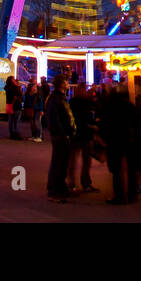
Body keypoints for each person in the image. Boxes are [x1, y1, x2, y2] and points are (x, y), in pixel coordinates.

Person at [99, 85, 140, 204]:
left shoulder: (108, 107)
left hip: (114, 140)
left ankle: (119, 195)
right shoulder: (129, 106)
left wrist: (104, 138)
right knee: (131, 168)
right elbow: (136, 123)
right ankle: (132, 194)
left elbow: (104, 124)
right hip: (128, 139)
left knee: (116, 170)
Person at [45, 73, 75, 202]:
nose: (68, 84)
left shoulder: (60, 98)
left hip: (63, 134)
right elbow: (55, 119)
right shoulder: (56, 99)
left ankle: (59, 187)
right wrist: (63, 133)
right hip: (60, 135)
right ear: (61, 84)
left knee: (61, 162)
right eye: (66, 82)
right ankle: (55, 189)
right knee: (59, 162)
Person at [68, 84, 97, 193]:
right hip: (82, 134)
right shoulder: (84, 103)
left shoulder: (74, 102)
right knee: (82, 160)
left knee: (77, 159)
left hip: (78, 134)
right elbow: (88, 117)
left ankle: (75, 183)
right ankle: (82, 183)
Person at [5, 76, 23, 140]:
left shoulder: (7, 87)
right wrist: (18, 87)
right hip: (16, 106)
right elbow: (19, 96)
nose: (15, 80)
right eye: (13, 79)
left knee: (10, 121)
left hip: (10, 105)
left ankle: (11, 134)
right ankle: (16, 134)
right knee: (16, 121)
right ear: (12, 80)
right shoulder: (15, 88)